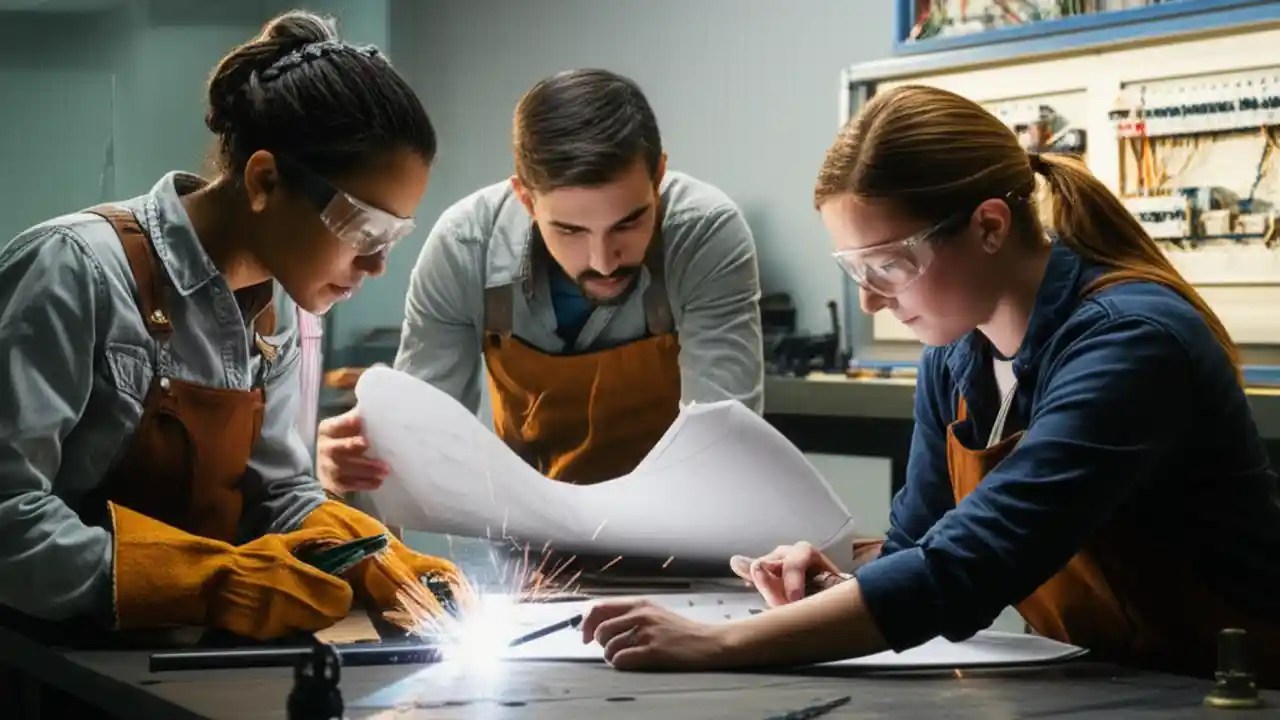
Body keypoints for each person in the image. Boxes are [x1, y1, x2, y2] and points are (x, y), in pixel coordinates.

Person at [577, 84, 1280, 685]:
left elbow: (969, 565)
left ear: (989, 227)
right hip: (1118, 679)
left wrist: (718, 643)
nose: (871, 302)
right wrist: (835, 588)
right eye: (856, 270)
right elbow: (921, 546)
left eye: (887, 265)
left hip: (1230, 687)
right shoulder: (954, 357)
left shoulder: (1133, 342)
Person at [0, 11, 462, 643]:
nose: (378, 264)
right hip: (46, 670)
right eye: (364, 229)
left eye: (394, 236)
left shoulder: (281, 308)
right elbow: (8, 517)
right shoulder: (73, 270)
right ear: (265, 180)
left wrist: (365, 551)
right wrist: (206, 581)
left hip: (167, 667)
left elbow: (276, 494)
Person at [317, 68, 763, 493]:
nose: (604, 262)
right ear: (526, 200)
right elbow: (421, 441)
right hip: (527, 548)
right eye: (570, 231)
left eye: (628, 224)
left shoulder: (707, 234)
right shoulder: (466, 248)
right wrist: (357, 459)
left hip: (683, 536)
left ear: (658, 177)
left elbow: (722, 449)